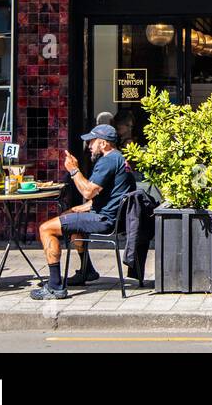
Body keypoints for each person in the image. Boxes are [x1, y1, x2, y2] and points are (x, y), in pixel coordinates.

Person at [31, 119, 136, 300]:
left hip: (105, 220)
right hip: (111, 215)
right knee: (70, 215)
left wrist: (74, 171)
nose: (89, 146)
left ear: (103, 143)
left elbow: (88, 191)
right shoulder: (118, 158)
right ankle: (87, 270)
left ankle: (55, 286)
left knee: (46, 228)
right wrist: (83, 207)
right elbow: (111, 194)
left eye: (92, 142)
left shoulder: (108, 161)